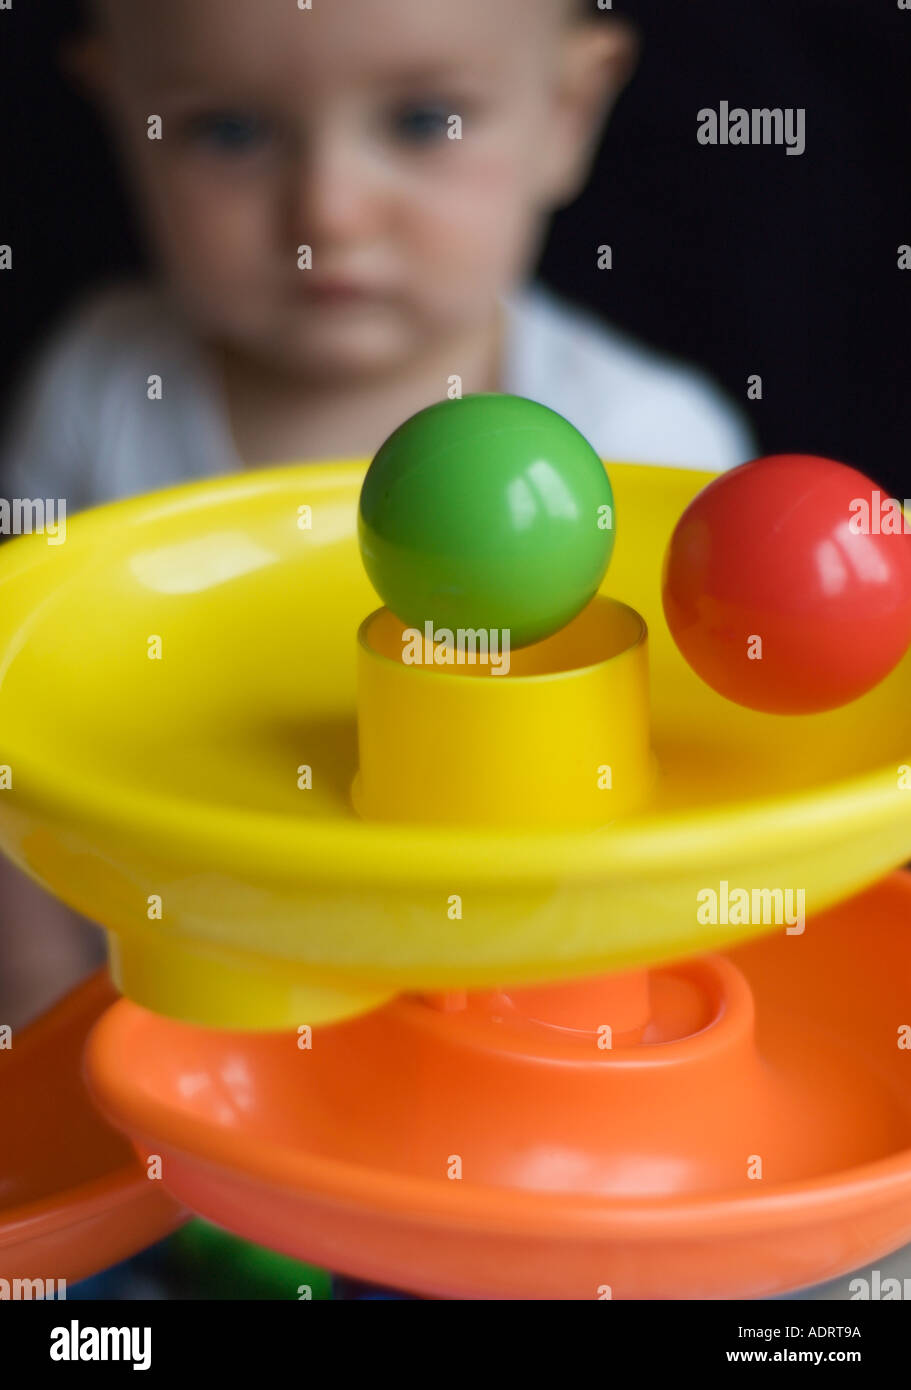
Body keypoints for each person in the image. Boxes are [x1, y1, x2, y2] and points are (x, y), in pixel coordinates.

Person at [0, 0, 755, 1026]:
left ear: (566, 113)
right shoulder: (97, 393)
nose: (328, 214)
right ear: (117, 106)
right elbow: (20, 754)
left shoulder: (650, 447)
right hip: (182, 1033)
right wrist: (49, 1004)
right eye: (228, 130)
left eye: (422, 122)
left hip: (555, 1039)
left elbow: (722, 819)